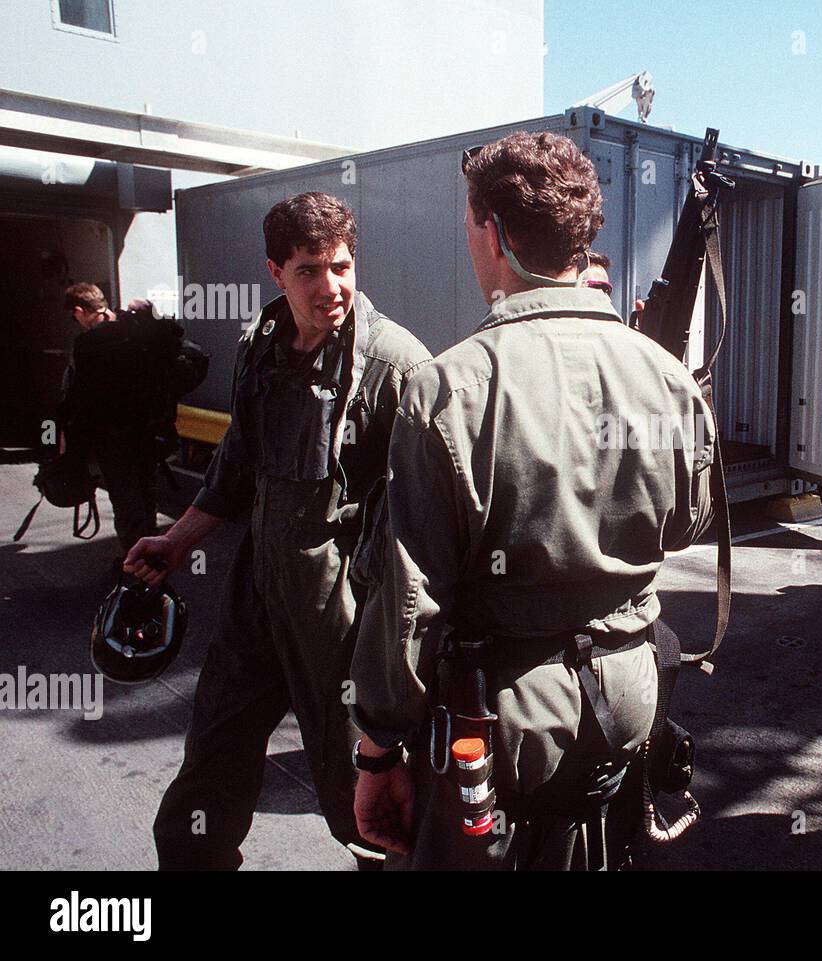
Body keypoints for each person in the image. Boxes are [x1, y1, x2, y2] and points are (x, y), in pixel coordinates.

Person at [348, 131, 717, 870]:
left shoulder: (448, 386)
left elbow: (410, 601)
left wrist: (376, 746)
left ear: (492, 231)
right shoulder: (668, 377)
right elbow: (690, 519)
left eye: (467, 226)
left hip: (503, 718)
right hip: (627, 698)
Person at [124, 192, 432, 870]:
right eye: (310, 271)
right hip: (255, 600)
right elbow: (238, 464)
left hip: (340, 622)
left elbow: (424, 521)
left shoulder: (396, 366)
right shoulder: (259, 348)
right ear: (276, 271)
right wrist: (178, 539)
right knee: (211, 758)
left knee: (361, 796)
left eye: (342, 266)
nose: (331, 288)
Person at [59, 283, 180, 555]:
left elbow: (78, 401)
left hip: (113, 436)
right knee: (147, 494)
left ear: (79, 311)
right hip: (149, 429)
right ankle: (150, 549)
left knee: (126, 499)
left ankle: (136, 561)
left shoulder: (88, 345)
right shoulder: (136, 330)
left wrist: (72, 448)